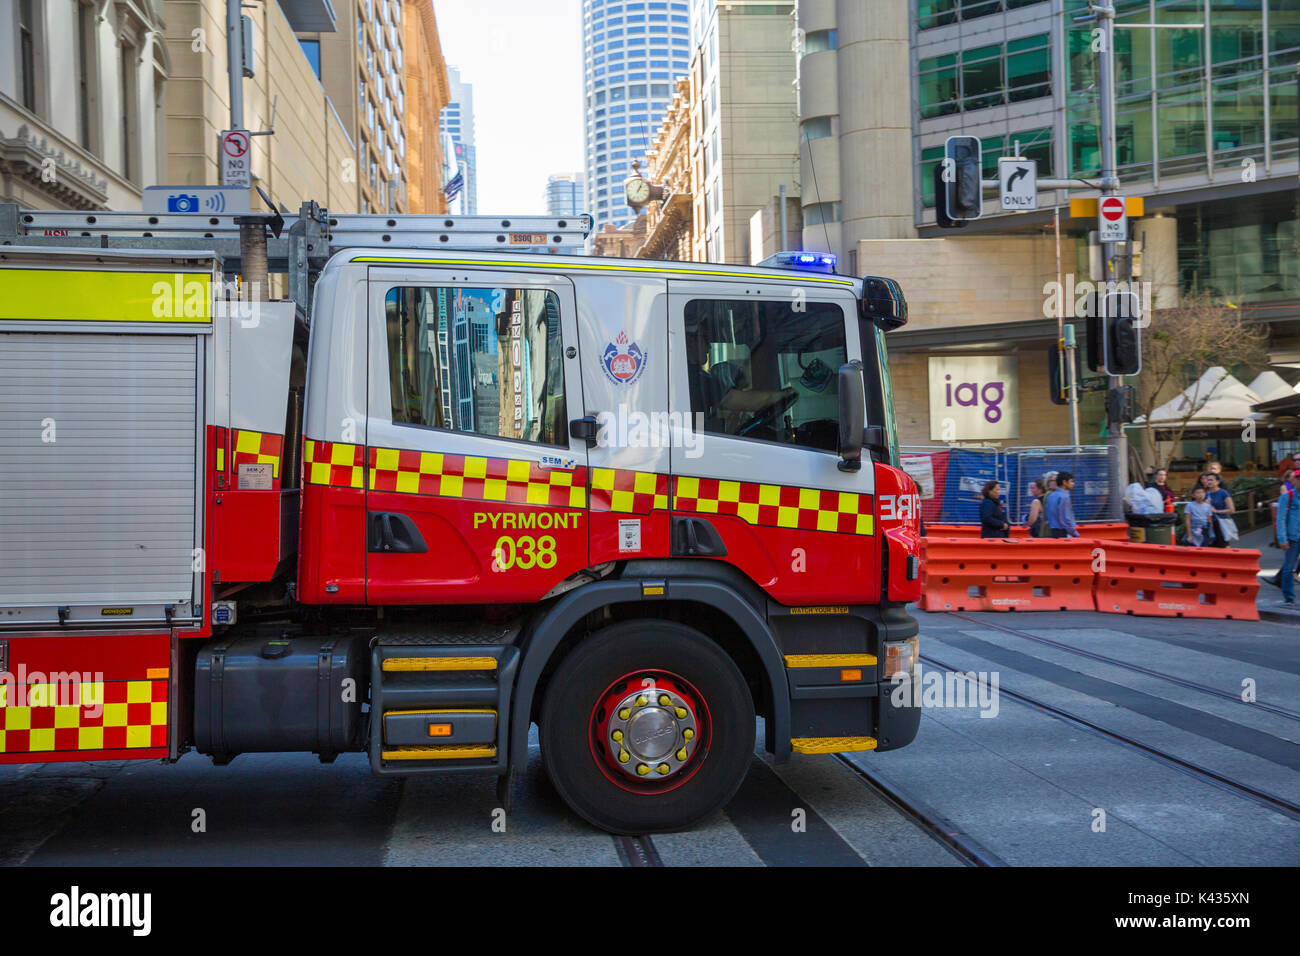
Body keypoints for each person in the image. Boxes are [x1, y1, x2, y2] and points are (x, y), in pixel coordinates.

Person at [1277, 469, 1300, 605]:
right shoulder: (1287, 497)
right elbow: (1280, 519)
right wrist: (1282, 539)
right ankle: (1289, 597)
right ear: (1294, 481)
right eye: (1298, 479)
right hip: (1293, 537)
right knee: (1288, 568)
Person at [1203, 472, 1235, 547]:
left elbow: (1232, 510)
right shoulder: (1206, 494)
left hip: (1221, 523)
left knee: (1222, 546)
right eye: (1208, 480)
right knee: (1210, 547)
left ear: (1218, 481)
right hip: (1209, 524)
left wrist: (1216, 511)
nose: (1209, 482)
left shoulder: (1223, 493)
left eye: (1211, 480)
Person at [1045, 471, 1079, 537]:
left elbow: (1048, 515)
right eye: (1071, 481)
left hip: (1053, 531)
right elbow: (1066, 518)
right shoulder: (1065, 497)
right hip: (1064, 532)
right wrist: (1074, 533)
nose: (1073, 484)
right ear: (1064, 482)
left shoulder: (1050, 496)